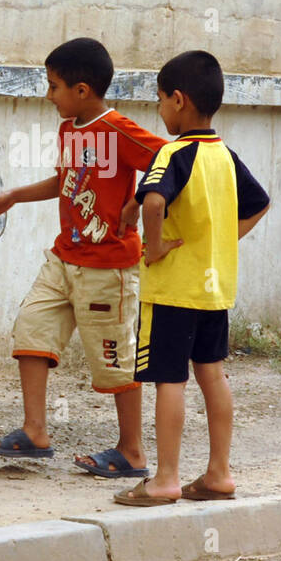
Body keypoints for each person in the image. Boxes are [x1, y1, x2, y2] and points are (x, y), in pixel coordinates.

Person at [0, 37, 167, 478]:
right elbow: (66, 182)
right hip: (65, 257)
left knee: (115, 360)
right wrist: (13, 197)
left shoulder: (117, 129)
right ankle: (34, 431)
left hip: (109, 268)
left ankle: (132, 452)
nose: (48, 95)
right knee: (32, 327)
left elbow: (171, 159)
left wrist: (138, 201)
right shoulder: (71, 129)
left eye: (54, 86)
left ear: (82, 90)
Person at [113, 50, 270, 506]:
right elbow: (259, 203)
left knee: (168, 380)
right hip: (215, 291)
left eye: (160, 99)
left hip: (173, 290)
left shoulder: (173, 152)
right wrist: (221, 240)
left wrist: (156, 245)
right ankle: (219, 473)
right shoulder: (224, 155)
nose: (159, 109)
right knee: (213, 376)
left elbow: (156, 203)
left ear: (178, 100)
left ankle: (164, 479)